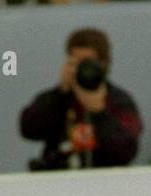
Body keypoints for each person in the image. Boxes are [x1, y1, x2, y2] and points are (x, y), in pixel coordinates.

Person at [19, 28, 142, 170]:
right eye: (76, 62)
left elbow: (126, 151)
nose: (82, 68)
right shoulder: (58, 98)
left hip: (105, 180)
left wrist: (99, 112)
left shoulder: (119, 101)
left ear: (104, 64)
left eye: (88, 63)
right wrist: (60, 93)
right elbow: (28, 130)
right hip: (59, 179)